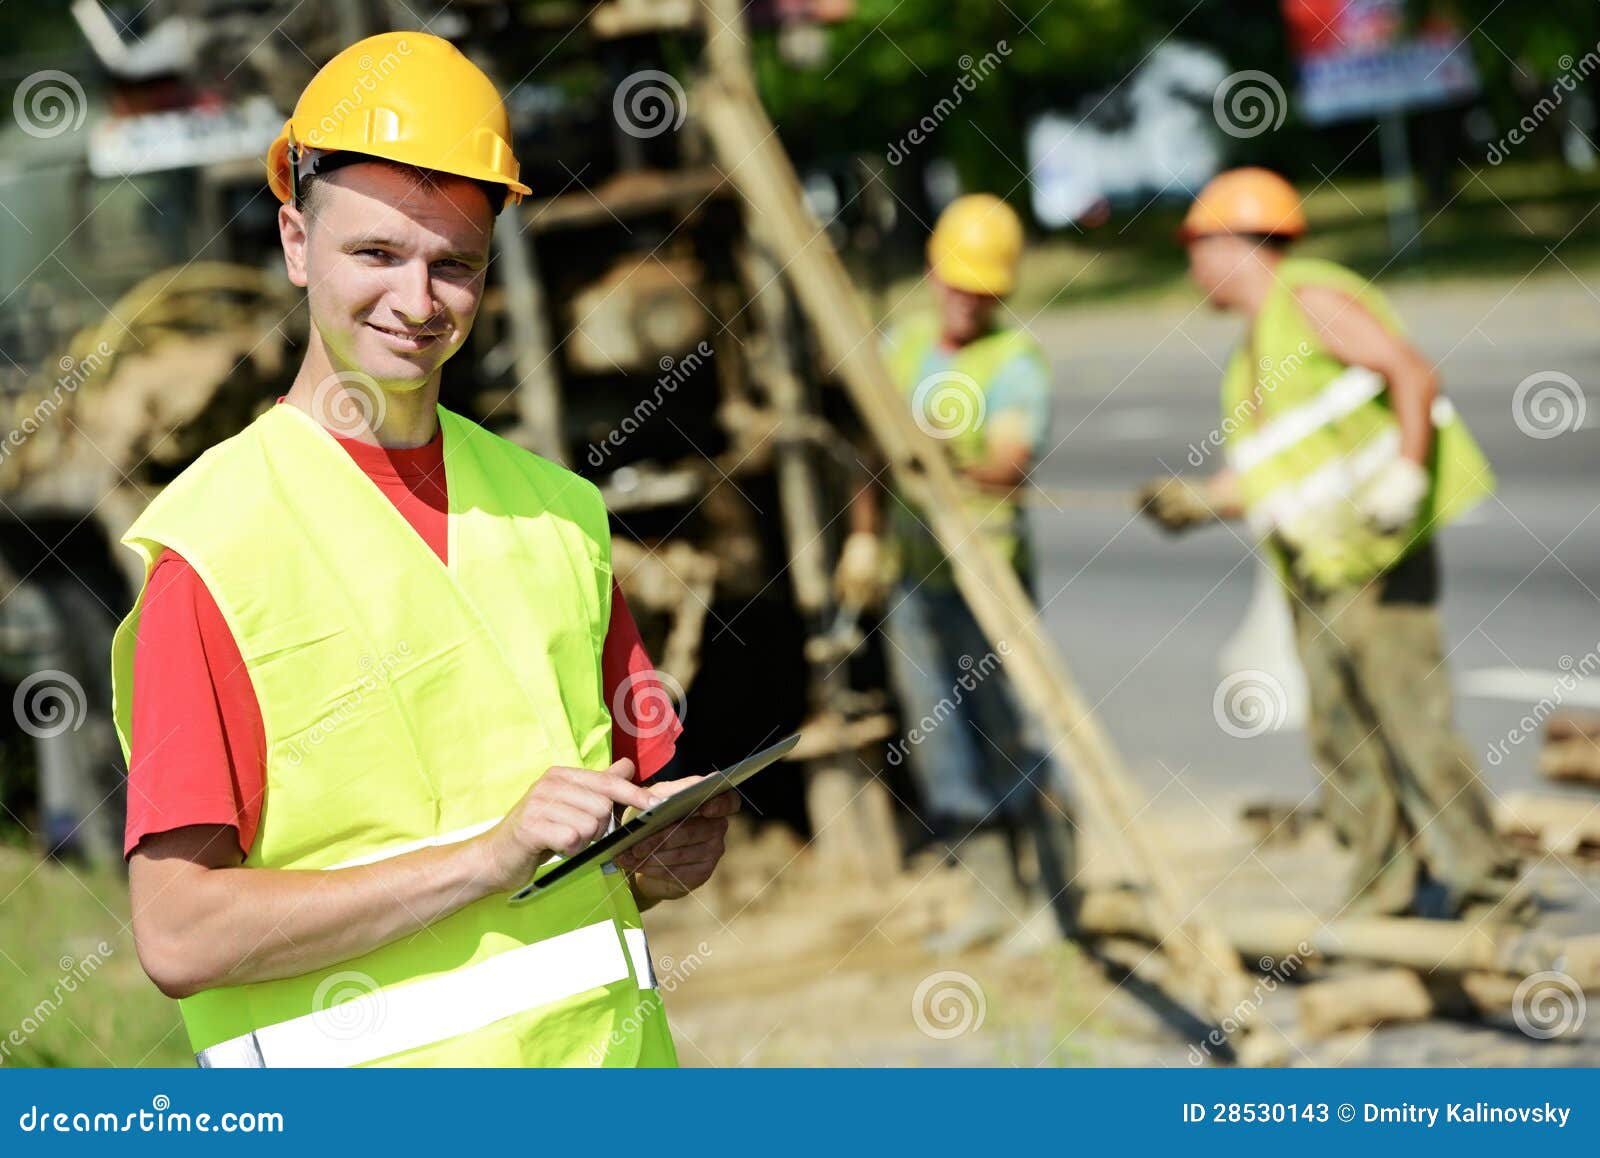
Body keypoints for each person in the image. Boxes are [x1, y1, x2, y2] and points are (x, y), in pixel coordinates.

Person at [111, 32, 735, 1068]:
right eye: (377, 255)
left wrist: (667, 850)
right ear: (296, 242)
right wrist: (486, 858)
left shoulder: (559, 515)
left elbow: (623, 843)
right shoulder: (214, 549)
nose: (418, 301)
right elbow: (178, 932)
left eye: (455, 265)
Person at [1140, 167, 1522, 921]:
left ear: (1236, 245)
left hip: (1376, 555)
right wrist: (1200, 501)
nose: (1191, 264)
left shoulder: (1307, 297)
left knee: (1413, 723)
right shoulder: (1251, 352)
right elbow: (1282, 470)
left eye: (1197, 245)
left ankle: (1489, 887)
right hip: (1319, 567)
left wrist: (1407, 474)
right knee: (1342, 732)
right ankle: (1384, 887)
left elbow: (1411, 373)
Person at [837, 193, 1076, 953]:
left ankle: (1057, 895)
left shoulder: (1013, 362)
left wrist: (942, 457)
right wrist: (864, 537)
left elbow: (1008, 458)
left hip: (987, 576)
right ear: (935, 275)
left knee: (1008, 728)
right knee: (939, 735)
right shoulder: (903, 347)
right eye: (957, 284)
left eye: (983, 291)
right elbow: (870, 454)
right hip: (914, 574)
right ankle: (990, 893)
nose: (967, 302)